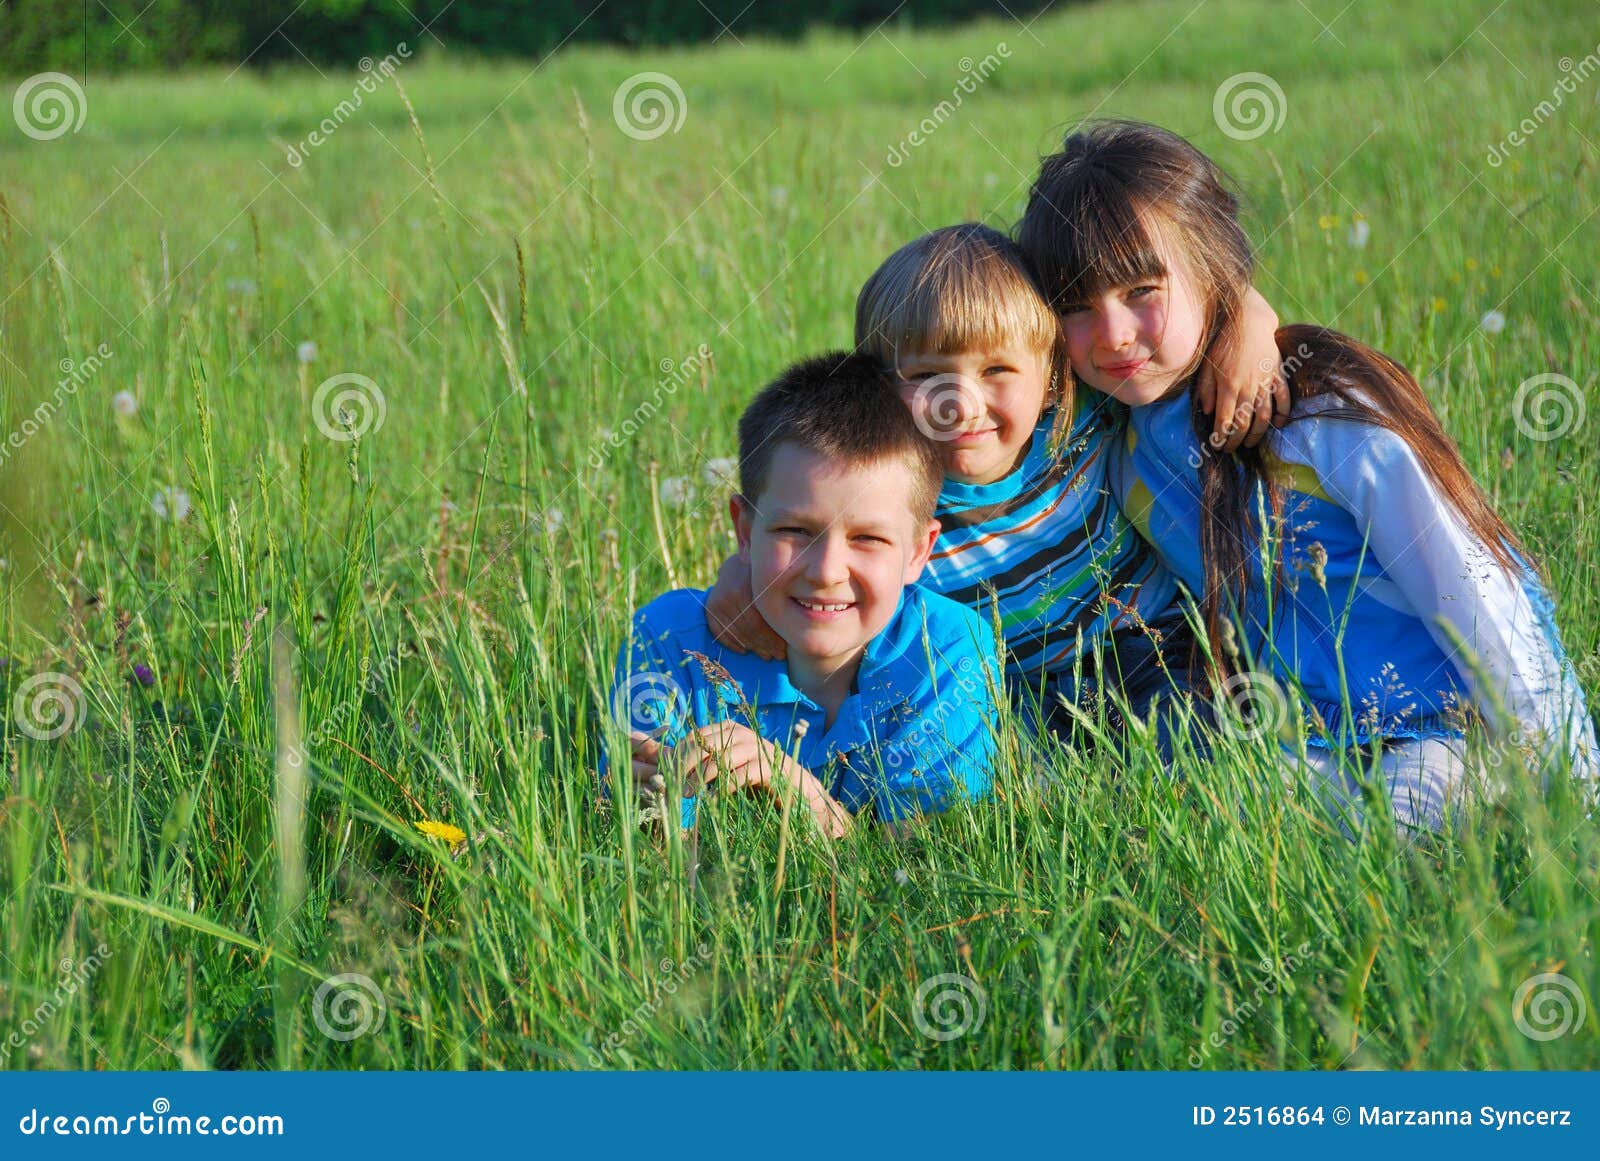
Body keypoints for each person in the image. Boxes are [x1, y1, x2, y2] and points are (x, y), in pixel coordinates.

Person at [1018, 118, 1598, 830]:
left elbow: (1472, 584)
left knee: (1394, 822)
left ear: (1216, 267)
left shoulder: (1323, 415)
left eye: (1141, 289)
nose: (1110, 334)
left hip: (1447, 715)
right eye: (1076, 306)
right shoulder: (1120, 445)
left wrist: (1575, 777)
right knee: (1214, 807)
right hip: (1301, 732)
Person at [705, 223, 1286, 752]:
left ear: (1053, 377)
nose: (960, 403)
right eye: (925, 375)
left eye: (996, 371)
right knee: (1005, 790)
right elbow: (807, 528)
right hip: (1011, 694)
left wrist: (1251, 322)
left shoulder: (1080, 420)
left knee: (1203, 748)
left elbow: (1192, 314)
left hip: (1153, 651)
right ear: (878, 389)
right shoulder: (887, 502)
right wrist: (743, 572)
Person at [607, 351, 1000, 837]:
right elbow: (650, 836)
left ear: (920, 551)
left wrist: (797, 792)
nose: (827, 571)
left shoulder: (948, 652)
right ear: (745, 532)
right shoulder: (669, 638)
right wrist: (651, 800)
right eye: (796, 530)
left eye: (868, 538)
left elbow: (927, 858)